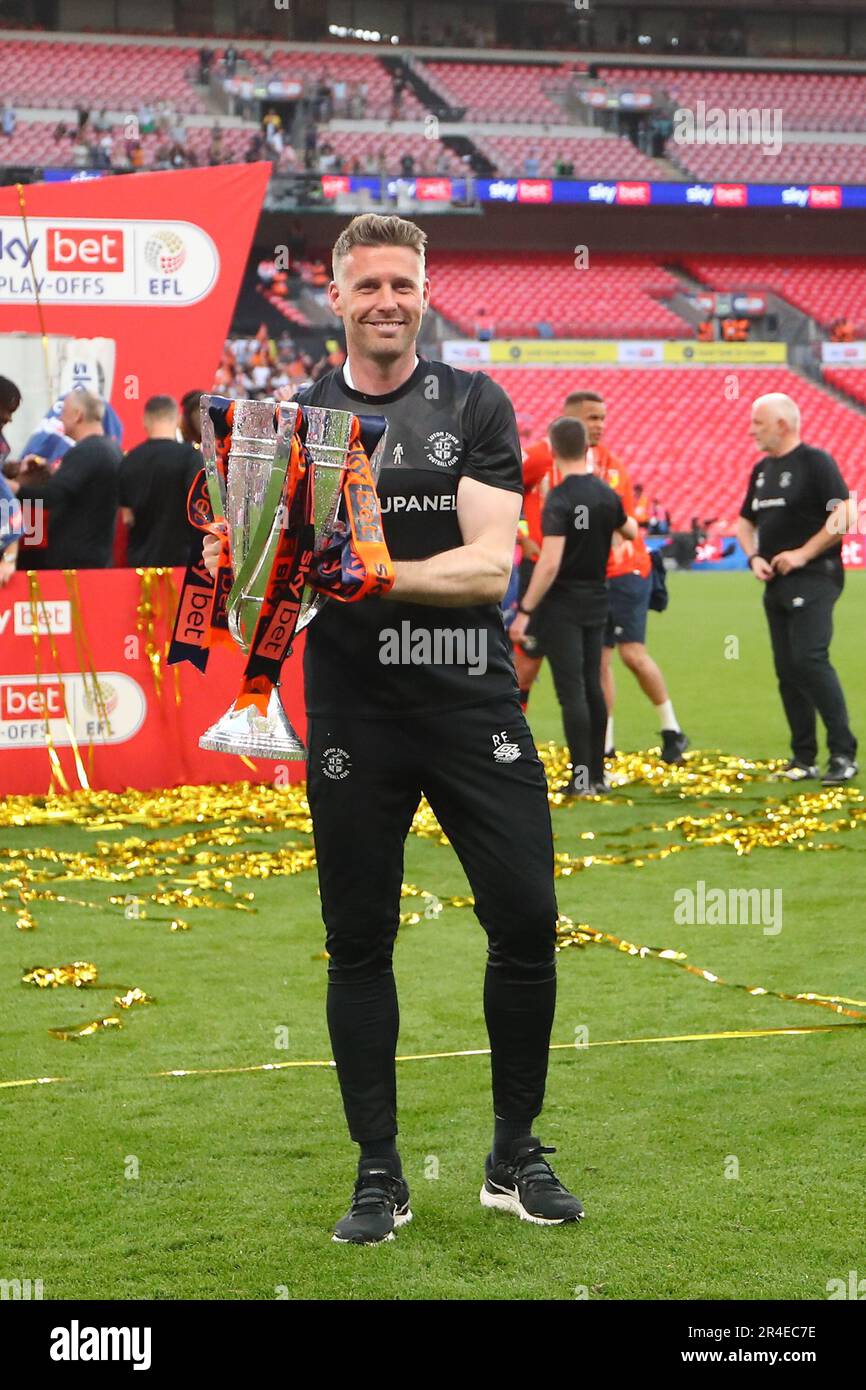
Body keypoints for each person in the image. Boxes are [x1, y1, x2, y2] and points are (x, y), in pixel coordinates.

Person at [202, 213, 584, 1244]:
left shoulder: (474, 401)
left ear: (424, 293)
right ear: (333, 296)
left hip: (470, 701)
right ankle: (379, 1171)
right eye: (367, 285)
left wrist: (366, 574)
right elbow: (258, 600)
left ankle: (513, 1154)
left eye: (402, 285)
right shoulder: (290, 422)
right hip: (353, 715)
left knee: (526, 918)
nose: (386, 302)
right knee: (358, 940)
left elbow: (487, 565)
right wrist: (240, 566)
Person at [519, 391, 688, 762]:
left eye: (602, 418)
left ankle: (663, 732)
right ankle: (597, 753)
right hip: (578, 578)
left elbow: (626, 528)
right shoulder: (539, 458)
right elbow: (501, 491)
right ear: (569, 422)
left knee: (622, 658)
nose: (599, 426)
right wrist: (522, 536)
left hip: (617, 573)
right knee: (562, 664)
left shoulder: (610, 467)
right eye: (592, 418)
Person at [509, 416, 637, 795]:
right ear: (586, 447)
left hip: (562, 604)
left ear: (552, 449)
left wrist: (525, 611)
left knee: (572, 691)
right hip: (597, 598)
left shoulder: (560, 499)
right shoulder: (605, 493)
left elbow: (549, 563)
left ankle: (580, 779)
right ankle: (596, 776)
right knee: (592, 684)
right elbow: (630, 530)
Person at [737, 392, 858, 785]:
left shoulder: (815, 462)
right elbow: (744, 522)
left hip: (815, 576)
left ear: (782, 425)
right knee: (787, 669)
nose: (751, 430)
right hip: (776, 582)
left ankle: (843, 753)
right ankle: (803, 757)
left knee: (809, 659)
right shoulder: (761, 470)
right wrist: (753, 556)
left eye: (758, 423)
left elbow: (847, 512)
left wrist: (804, 553)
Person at [9, 390, 120, 569]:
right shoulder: (110, 448)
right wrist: (54, 473)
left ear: (77, 415)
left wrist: (11, 488)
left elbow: (52, 496)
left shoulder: (86, 451)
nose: (60, 418)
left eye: (63, 411)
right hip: (96, 555)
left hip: (75, 560)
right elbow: (83, 488)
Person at [119, 396, 202, 567]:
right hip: (182, 563)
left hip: (140, 564)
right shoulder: (191, 458)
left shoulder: (129, 460)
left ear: (145, 421)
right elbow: (200, 509)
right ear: (178, 420)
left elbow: (127, 518)